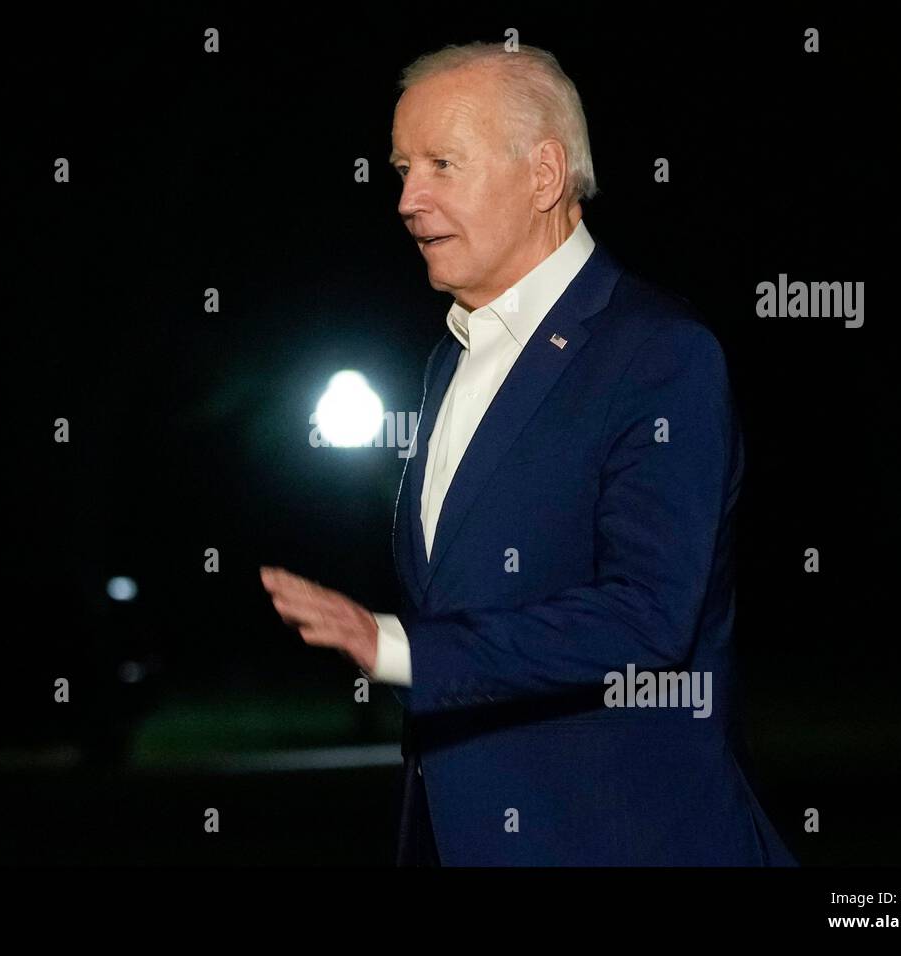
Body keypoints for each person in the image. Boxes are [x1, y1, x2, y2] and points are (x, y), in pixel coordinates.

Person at [261, 40, 796, 866]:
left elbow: (648, 618)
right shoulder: (451, 356)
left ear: (544, 175)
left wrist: (396, 646)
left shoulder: (660, 353)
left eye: (442, 163)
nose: (407, 198)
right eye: (403, 167)